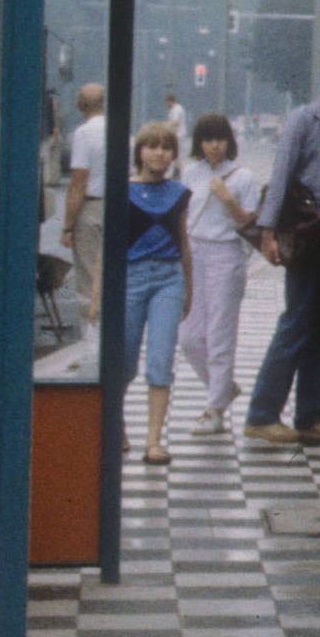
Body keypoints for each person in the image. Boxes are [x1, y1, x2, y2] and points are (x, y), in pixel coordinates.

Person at [245, 54, 320, 445]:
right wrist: (267, 232)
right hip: (306, 230)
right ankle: (262, 414)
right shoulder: (303, 120)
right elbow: (280, 176)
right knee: (296, 320)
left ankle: (309, 415)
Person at [178, 113, 265, 436]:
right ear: (199, 143)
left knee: (219, 335)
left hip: (226, 255)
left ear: (229, 141)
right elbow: (183, 216)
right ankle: (224, 388)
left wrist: (228, 201)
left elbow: (251, 224)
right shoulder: (190, 172)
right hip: (193, 253)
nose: (214, 146)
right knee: (188, 337)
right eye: (207, 139)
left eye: (219, 139)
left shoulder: (242, 177)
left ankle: (214, 408)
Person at [117, 122, 195, 467]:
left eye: (165, 147)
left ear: (173, 154)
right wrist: (98, 294)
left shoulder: (179, 192)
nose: (158, 153)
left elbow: (183, 241)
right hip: (130, 277)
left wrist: (189, 287)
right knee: (124, 362)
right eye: (151, 146)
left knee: (160, 359)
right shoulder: (122, 190)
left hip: (168, 277)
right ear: (139, 152)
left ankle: (153, 440)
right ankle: (116, 423)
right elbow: (111, 244)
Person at [60, 82, 106, 331]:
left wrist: (67, 226)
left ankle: (91, 339)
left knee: (89, 280)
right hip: (116, 206)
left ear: (80, 106)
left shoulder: (83, 133)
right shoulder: (120, 130)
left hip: (90, 210)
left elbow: (78, 182)